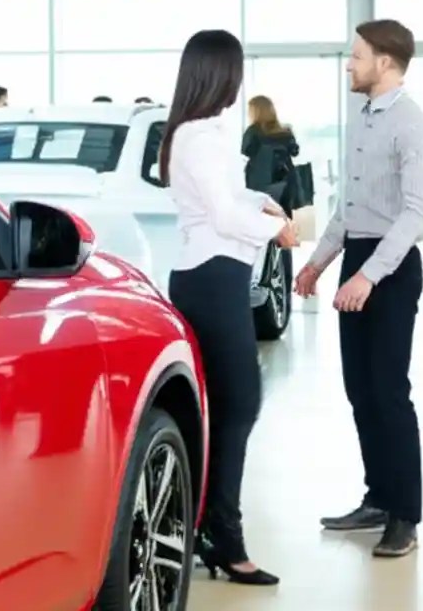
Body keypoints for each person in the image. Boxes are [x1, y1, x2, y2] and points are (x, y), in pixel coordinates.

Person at [294, 19, 423, 558]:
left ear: (385, 62)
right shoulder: (362, 119)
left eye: (356, 56)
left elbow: (416, 213)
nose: (348, 65)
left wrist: (368, 275)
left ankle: (405, 515)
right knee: (361, 389)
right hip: (358, 255)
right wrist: (317, 263)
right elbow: (349, 208)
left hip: (391, 268)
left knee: (389, 391)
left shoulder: (414, 126)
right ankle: (378, 497)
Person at [159, 29, 298, 583]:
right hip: (212, 278)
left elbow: (227, 198)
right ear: (221, 74)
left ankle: (209, 527)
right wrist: (275, 229)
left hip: (212, 276)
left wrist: (263, 202)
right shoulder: (200, 137)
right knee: (239, 404)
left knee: (229, 406)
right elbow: (221, 214)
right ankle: (223, 535)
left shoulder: (197, 132)